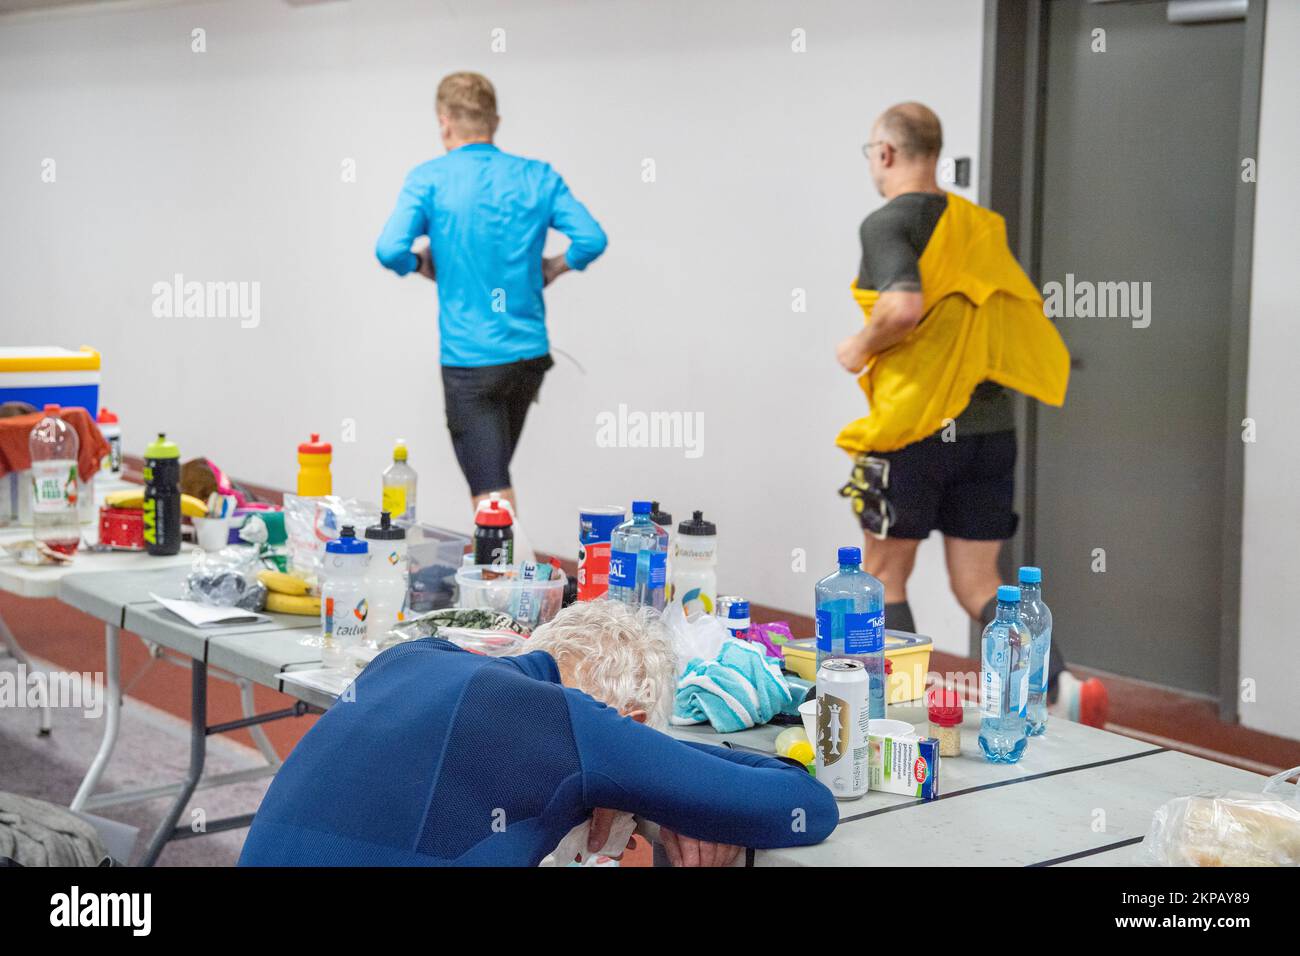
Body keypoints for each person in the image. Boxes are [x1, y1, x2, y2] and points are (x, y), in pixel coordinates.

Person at [833, 102, 1106, 726]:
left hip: (914, 430)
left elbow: (902, 307)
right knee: (981, 585)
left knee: (882, 578)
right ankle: (1060, 686)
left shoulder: (886, 222)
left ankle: (896, 713)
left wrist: (858, 346)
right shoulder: (981, 225)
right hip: (990, 431)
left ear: (886, 153)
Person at [238, 600, 838, 866]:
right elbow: (808, 806)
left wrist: (660, 770)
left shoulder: (412, 658)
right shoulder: (569, 725)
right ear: (627, 724)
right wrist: (674, 783)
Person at [376, 72, 607, 514]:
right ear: (495, 120)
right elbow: (591, 239)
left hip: (471, 366)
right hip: (527, 360)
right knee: (494, 480)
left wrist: (419, 264)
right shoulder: (538, 176)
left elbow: (390, 250)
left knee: (491, 495)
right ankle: (498, 571)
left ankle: (510, 580)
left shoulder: (430, 179)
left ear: (445, 123)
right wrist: (556, 267)